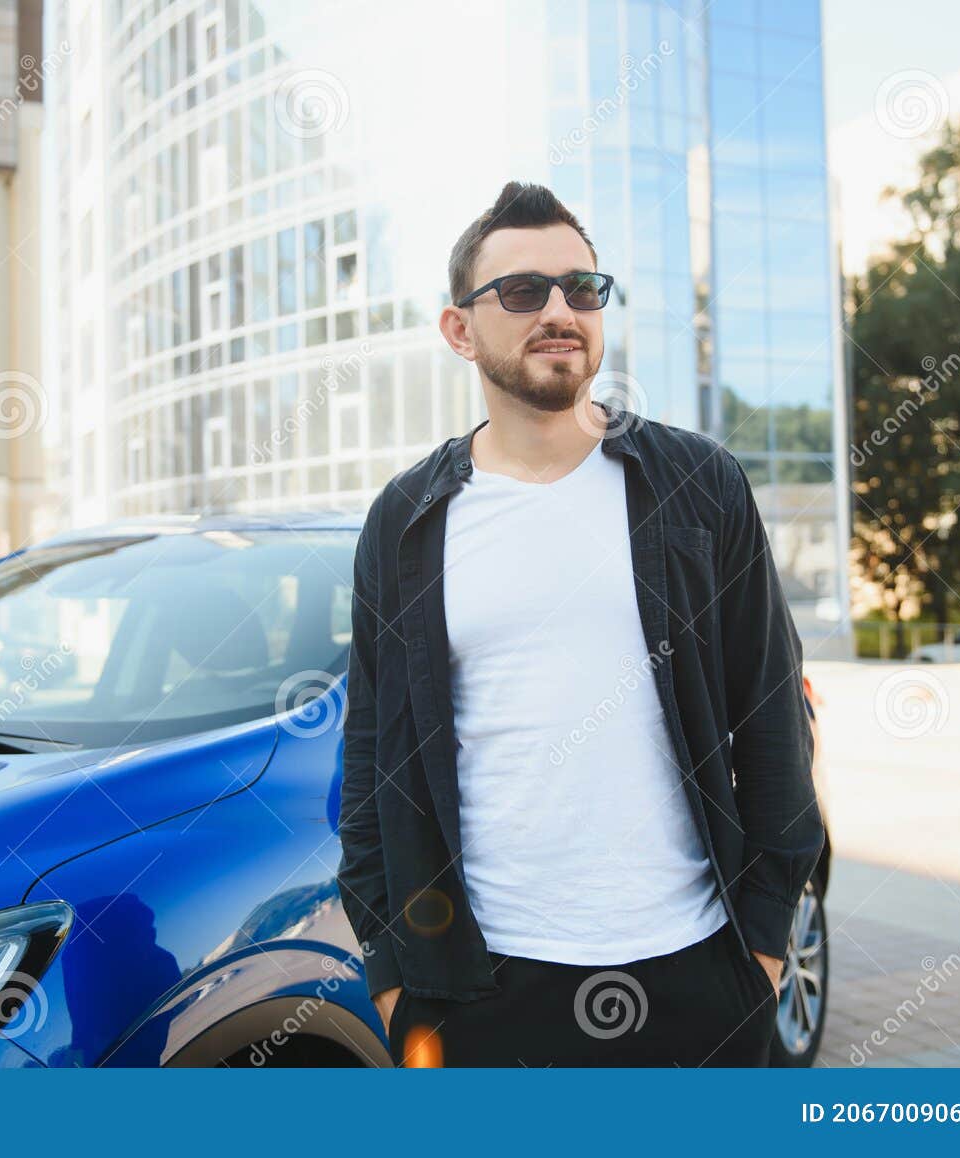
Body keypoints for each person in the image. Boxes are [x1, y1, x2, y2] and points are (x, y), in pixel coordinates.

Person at [335, 181, 824, 1066]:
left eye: (582, 289)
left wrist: (760, 945)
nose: (560, 310)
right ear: (459, 330)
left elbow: (773, 718)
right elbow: (371, 760)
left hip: (698, 971)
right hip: (480, 985)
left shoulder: (697, 486)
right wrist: (390, 972)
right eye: (522, 291)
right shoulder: (407, 520)